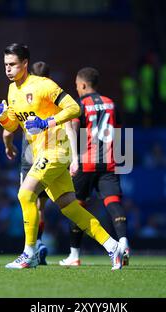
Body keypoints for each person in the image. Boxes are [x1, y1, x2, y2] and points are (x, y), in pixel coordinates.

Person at [0, 43, 124, 270]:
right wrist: (4, 119)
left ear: (25, 64)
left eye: (12, 64)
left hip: (55, 149)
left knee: (25, 194)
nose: (8, 69)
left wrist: (47, 122)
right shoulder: (12, 90)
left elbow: (74, 108)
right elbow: (17, 125)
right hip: (40, 152)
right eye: (5, 65)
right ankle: (113, 247)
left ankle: (29, 254)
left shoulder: (43, 85)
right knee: (70, 207)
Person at [2, 61, 79, 265]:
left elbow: (8, 130)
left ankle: (34, 247)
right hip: (53, 153)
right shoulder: (52, 95)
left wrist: (8, 145)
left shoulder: (37, 92)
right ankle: (37, 246)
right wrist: (74, 158)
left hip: (34, 154)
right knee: (49, 204)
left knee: (31, 199)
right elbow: (70, 128)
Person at [59, 67, 130, 267]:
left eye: (76, 86)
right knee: (113, 203)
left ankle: (74, 255)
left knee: (77, 207)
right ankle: (123, 243)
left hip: (85, 162)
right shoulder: (110, 103)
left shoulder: (80, 105)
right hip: (108, 162)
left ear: (82, 85)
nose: (77, 90)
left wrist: (73, 157)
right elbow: (118, 130)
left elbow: (72, 130)